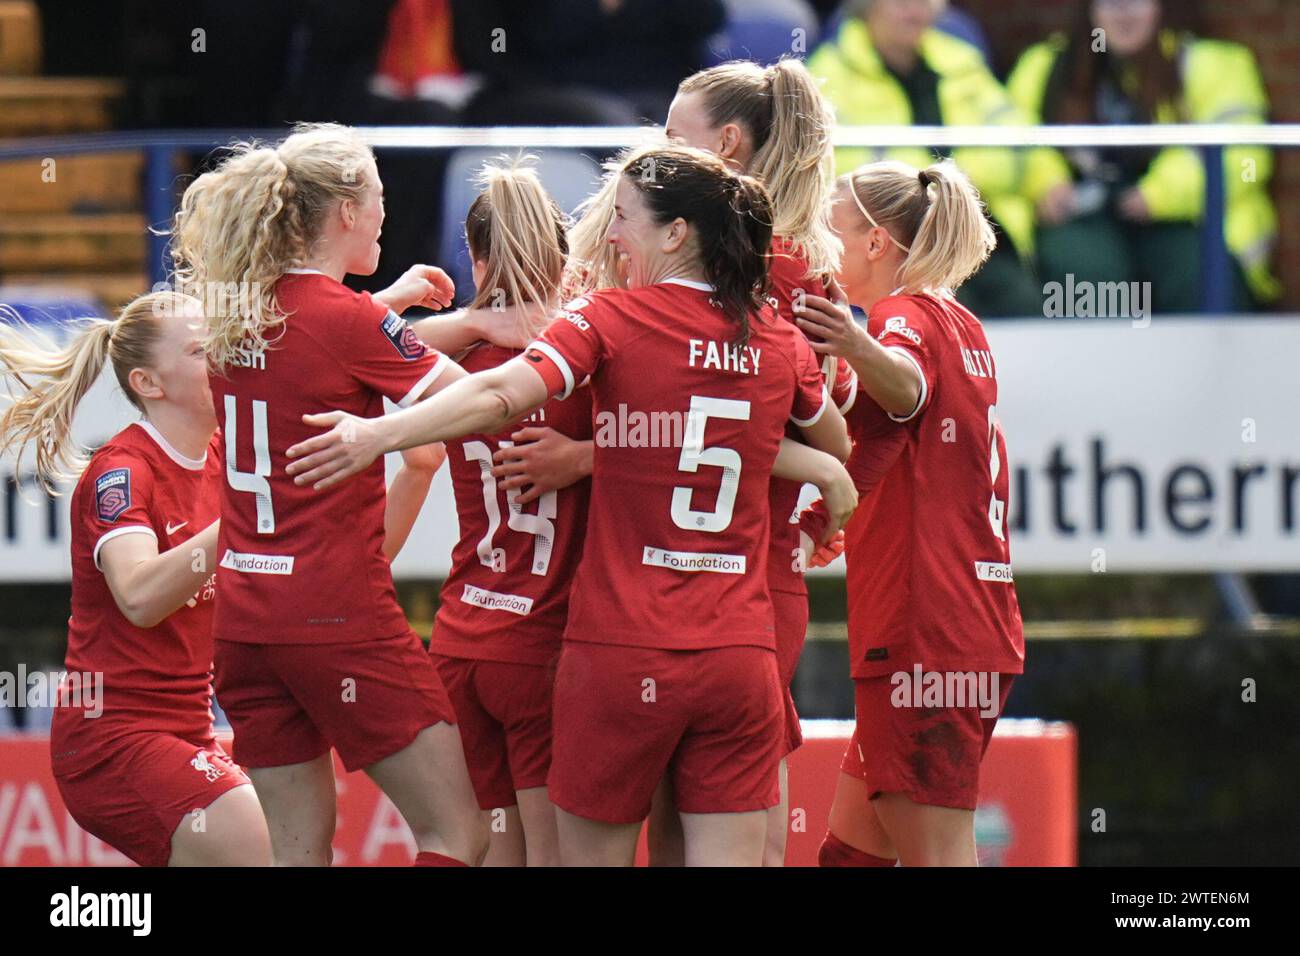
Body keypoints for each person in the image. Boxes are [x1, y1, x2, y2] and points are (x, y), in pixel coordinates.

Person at [284, 145, 859, 866]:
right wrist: (819, 468)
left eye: (621, 217)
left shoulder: (607, 321)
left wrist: (380, 433)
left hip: (612, 650)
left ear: (675, 233)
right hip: (736, 652)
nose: (611, 234)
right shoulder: (772, 337)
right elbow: (825, 441)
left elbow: (499, 397)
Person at [168, 122, 487, 866]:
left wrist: (388, 310)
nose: (384, 212)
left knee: (297, 851)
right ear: (345, 211)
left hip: (246, 620)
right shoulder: (349, 320)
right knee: (458, 834)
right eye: (378, 197)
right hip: (336, 616)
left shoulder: (236, 313)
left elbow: (314, 346)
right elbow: (481, 401)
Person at [790, 159, 1025, 866]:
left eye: (833, 216)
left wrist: (851, 341)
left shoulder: (901, 318)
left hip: (925, 634)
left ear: (875, 242)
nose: (819, 232)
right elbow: (899, 430)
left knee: (938, 857)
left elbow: (908, 392)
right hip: (964, 627)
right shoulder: (960, 322)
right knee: (851, 854)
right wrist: (841, 506)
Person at [0, 291, 271, 867]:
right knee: (254, 838)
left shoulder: (230, 458)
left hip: (190, 727)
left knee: (293, 825)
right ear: (150, 383)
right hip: (110, 737)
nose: (222, 360)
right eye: (202, 351)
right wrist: (247, 515)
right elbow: (140, 596)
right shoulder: (122, 470)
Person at [427, 160, 590, 867]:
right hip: (545, 644)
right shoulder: (586, 362)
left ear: (475, 257)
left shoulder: (458, 368)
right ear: (565, 256)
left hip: (462, 638)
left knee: (494, 852)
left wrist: (462, 320)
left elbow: (350, 345)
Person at [1007, 0, 1279, 312]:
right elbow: (1013, 136)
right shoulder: (1046, 65)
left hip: (1178, 217)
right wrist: (1045, 181)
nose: (1124, 13)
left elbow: (1244, 155)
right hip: (1081, 214)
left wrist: (1158, 195)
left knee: (1196, 274)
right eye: (1110, 2)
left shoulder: (1212, 63)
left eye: (1137, 1)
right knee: (1086, 281)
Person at [807, 0, 1043, 318]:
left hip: (978, 228)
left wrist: (966, 177)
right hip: (898, 244)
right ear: (866, 7)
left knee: (1023, 304)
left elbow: (1017, 139)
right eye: (901, 3)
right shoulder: (827, 74)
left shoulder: (963, 60)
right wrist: (931, 188)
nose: (915, 11)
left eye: (923, 2)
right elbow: (837, 173)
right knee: (946, 315)